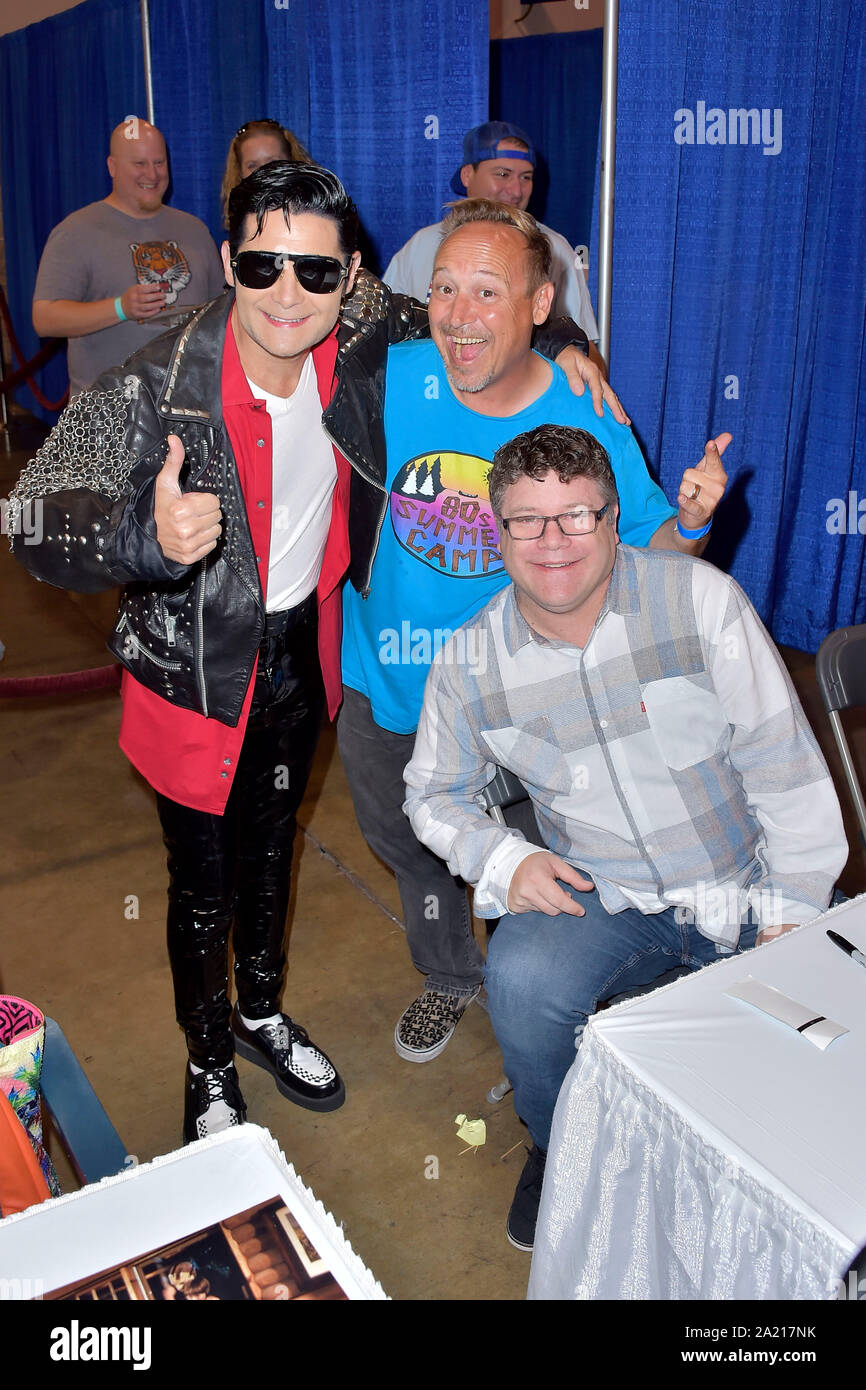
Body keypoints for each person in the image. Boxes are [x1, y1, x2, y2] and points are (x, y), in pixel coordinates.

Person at [10, 163, 599, 1145]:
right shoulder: (160, 381)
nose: (289, 293)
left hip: (298, 653)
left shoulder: (360, 337)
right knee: (203, 885)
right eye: (263, 264)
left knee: (275, 852)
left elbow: (470, 315)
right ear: (230, 262)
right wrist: (140, 540)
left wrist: (565, 347)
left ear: (350, 276)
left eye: (314, 273)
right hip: (193, 671)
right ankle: (205, 1066)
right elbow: (30, 511)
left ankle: (259, 1011)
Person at [404, 423, 848, 1249]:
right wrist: (504, 855)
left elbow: (783, 768)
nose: (552, 542)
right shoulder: (470, 662)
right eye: (526, 521)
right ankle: (555, 1144)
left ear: (615, 520)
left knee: (810, 1091)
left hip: (744, 883)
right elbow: (432, 793)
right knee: (524, 978)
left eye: (577, 516)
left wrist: (789, 913)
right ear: (495, 534)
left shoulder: (698, 600)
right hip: (607, 895)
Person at [338, 198, 731, 1067]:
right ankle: (449, 975)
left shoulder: (584, 408)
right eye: (444, 288)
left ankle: (554, 995)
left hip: (532, 697)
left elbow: (653, 544)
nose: (459, 314)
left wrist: (697, 520)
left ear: (541, 306)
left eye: (488, 291)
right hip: (388, 683)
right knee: (411, 848)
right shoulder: (386, 376)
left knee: (554, 859)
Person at [32, 118, 225, 398]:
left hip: (190, 407)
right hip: (108, 416)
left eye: (159, 163)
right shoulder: (75, 231)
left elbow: (220, 313)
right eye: (139, 164)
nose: (152, 174)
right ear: (112, 166)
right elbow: (45, 318)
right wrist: (121, 308)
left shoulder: (194, 230)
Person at [383, 121, 600, 353]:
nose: (517, 191)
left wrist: (564, 354)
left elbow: (586, 350)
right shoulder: (421, 245)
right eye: (503, 174)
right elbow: (386, 327)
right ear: (467, 175)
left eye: (526, 177)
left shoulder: (554, 248)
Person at [220, 119, 312, 226]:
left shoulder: (314, 216)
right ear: (239, 173)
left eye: (273, 162)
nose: (264, 172)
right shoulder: (240, 225)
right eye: (252, 165)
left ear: (292, 161)